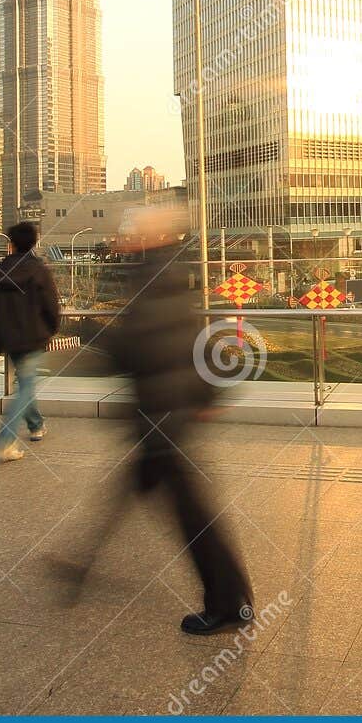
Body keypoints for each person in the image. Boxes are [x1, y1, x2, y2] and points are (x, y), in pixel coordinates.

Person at [57, 205, 253, 636]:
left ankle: (228, 604)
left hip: (163, 420)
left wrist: (91, 335)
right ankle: (80, 563)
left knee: (193, 517)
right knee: (141, 497)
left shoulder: (148, 280)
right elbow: (197, 343)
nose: (123, 239)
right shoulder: (173, 276)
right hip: (169, 415)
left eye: (131, 233)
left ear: (147, 240)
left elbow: (136, 348)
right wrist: (206, 395)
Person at [0, 221, 62, 463]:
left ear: (11, 244)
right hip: (33, 337)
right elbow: (51, 306)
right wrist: (51, 330)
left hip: (9, 339)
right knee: (25, 387)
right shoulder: (39, 271)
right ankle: (4, 442)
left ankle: (36, 425)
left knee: (25, 382)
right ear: (34, 243)